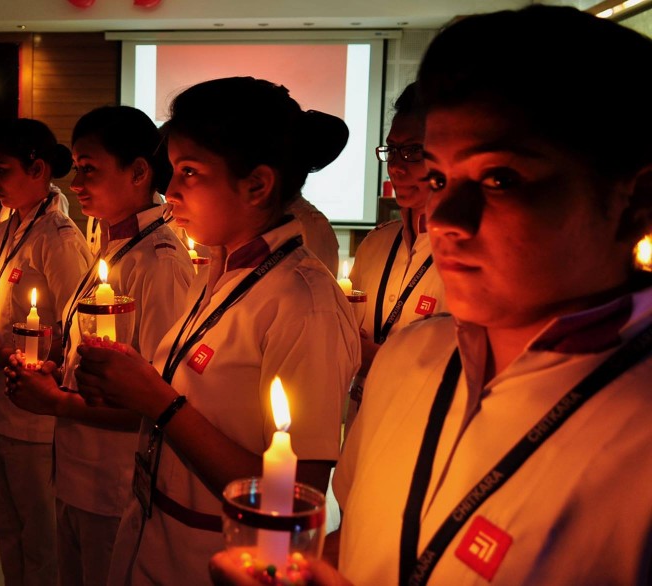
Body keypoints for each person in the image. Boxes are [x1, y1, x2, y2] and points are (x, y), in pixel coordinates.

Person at [330, 6, 652, 585]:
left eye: (500, 178)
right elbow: (356, 535)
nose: (446, 217)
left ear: (636, 201)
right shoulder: (409, 360)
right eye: (437, 178)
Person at [72, 77, 359, 585]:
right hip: (156, 524)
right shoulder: (223, 274)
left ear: (257, 185)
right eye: (173, 170)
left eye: (189, 172)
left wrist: (157, 400)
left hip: (215, 553)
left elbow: (295, 493)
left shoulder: (302, 303)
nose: (171, 189)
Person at [4, 105, 194, 586]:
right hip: (76, 468)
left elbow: (159, 398)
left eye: (89, 169)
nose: (76, 182)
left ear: (138, 172)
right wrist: (50, 367)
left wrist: (56, 401)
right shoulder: (112, 250)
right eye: (76, 168)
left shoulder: (159, 261)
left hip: (114, 480)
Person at [0, 118, 91, 586]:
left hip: (35, 417)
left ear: (38, 169)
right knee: (7, 527)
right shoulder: (5, 229)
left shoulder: (60, 238)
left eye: (1, 171)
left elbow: (78, 335)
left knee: (41, 535)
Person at [345, 82, 446, 424]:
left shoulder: (474, 259)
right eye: (392, 151)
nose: (397, 167)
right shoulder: (376, 244)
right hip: (362, 423)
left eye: (414, 152)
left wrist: (372, 356)